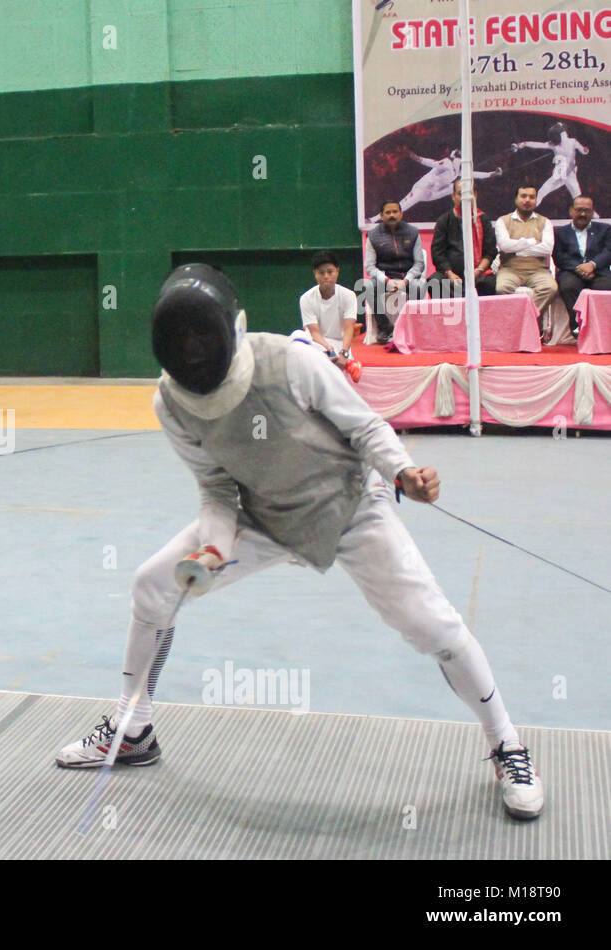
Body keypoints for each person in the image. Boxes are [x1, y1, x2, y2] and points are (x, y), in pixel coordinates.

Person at [55, 264, 544, 822]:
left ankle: (507, 744)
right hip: (263, 519)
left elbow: (365, 427)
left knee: (433, 625)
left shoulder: (291, 362)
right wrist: (212, 550)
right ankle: (132, 726)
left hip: (350, 508)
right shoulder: (171, 402)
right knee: (151, 587)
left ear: (232, 331)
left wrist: (404, 471)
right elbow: (216, 488)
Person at [494, 184, 558, 336]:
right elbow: (504, 246)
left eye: (531, 197)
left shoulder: (545, 222)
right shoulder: (503, 221)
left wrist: (518, 250)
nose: (527, 200)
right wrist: (531, 242)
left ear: (536, 200)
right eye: (523, 196)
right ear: (516, 199)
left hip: (538, 271)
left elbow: (547, 249)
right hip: (510, 269)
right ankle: (524, 323)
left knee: (551, 288)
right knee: (501, 289)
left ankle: (523, 320)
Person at [369, 148, 501, 223]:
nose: (461, 159)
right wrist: (418, 158)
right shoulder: (447, 162)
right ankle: (374, 218)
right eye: (459, 156)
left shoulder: (458, 171)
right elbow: (432, 163)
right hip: (422, 189)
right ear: (455, 157)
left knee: (453, 187)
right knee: (404, 205)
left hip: (432, 193)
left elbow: (474, 174)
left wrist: (491, 174)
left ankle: (461, 210)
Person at [291, 251, 362, 383]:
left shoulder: (349, 295)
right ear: (315, 274)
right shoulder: (306, 298)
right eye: (321, 273)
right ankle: (349, 365)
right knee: (296, 336)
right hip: (318, 344)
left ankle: (347, 362)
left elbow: (348, 329)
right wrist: (330, 350)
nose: (326, 276)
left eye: (330, 272)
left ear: (337, 271)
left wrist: (344, 353)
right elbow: (315, 333)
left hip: (341, 345)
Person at [361, 200, 425, 342]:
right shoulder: (373, 236)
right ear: (381, 216)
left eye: (395, 212)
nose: (392, 215)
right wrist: (387, 281)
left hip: (407, 278)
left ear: (401, 214)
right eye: (388, 212)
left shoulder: (413, 233)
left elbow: (419, 263)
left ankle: (410, 327)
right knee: (368, 287)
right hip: (385, 278)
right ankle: (385, 328)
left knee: (420, 287)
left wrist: (406, 280)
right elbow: (370, 267)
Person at [553, 195, 611, 338]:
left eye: (587, 210)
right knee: (568, 286)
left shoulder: (605, 229)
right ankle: (577, 327)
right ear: (571, 211)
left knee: (605, 287)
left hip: (599, 271)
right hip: (571, 272)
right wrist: (581, 268)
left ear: (592, 212)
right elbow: (559, 257)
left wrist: (592, 265)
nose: (583, 214)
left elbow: (609, 251)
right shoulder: (560, 232)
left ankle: (603, 330)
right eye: (579, 210)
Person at [430, 179, 498, 298]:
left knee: (491, 283)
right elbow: (437, 254)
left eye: (469, 193)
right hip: (451, 277)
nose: (464, 198)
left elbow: (490, 252)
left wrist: (478, 271)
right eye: (460, 194)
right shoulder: (444, 220)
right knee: (434, 282)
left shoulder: (483, 220)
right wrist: (450, 274)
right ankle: (452, 315)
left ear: (475, 195)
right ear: (453, 196)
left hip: (478, 276)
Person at [511, 123, 588, 210]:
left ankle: (593, 215)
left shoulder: (572, 142)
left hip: (569, 173)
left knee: (576, 197)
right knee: (544, 191)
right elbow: (538, 145)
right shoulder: (554, 144)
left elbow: (583, 151)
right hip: (560, 173)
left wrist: (585, 150)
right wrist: (524, 144)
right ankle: (528, 209)